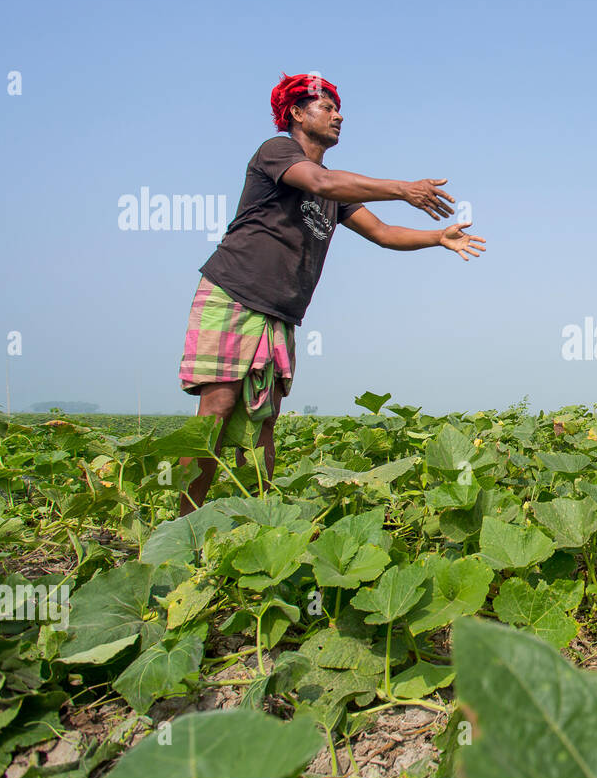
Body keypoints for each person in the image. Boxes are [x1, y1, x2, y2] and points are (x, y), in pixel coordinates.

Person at [176, 72, 486, 515]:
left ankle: (256, 525)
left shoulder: (335, 189)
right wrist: (403, 189)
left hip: (279, 313)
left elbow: (381, 233)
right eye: (327, 107)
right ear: (297, 114)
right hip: (235, 292)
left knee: (263, 423)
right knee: (218, 406)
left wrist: (437, 237)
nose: (338, 115)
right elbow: (320, 183)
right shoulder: (277, 152)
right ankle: (184, 522)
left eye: (339, 108)